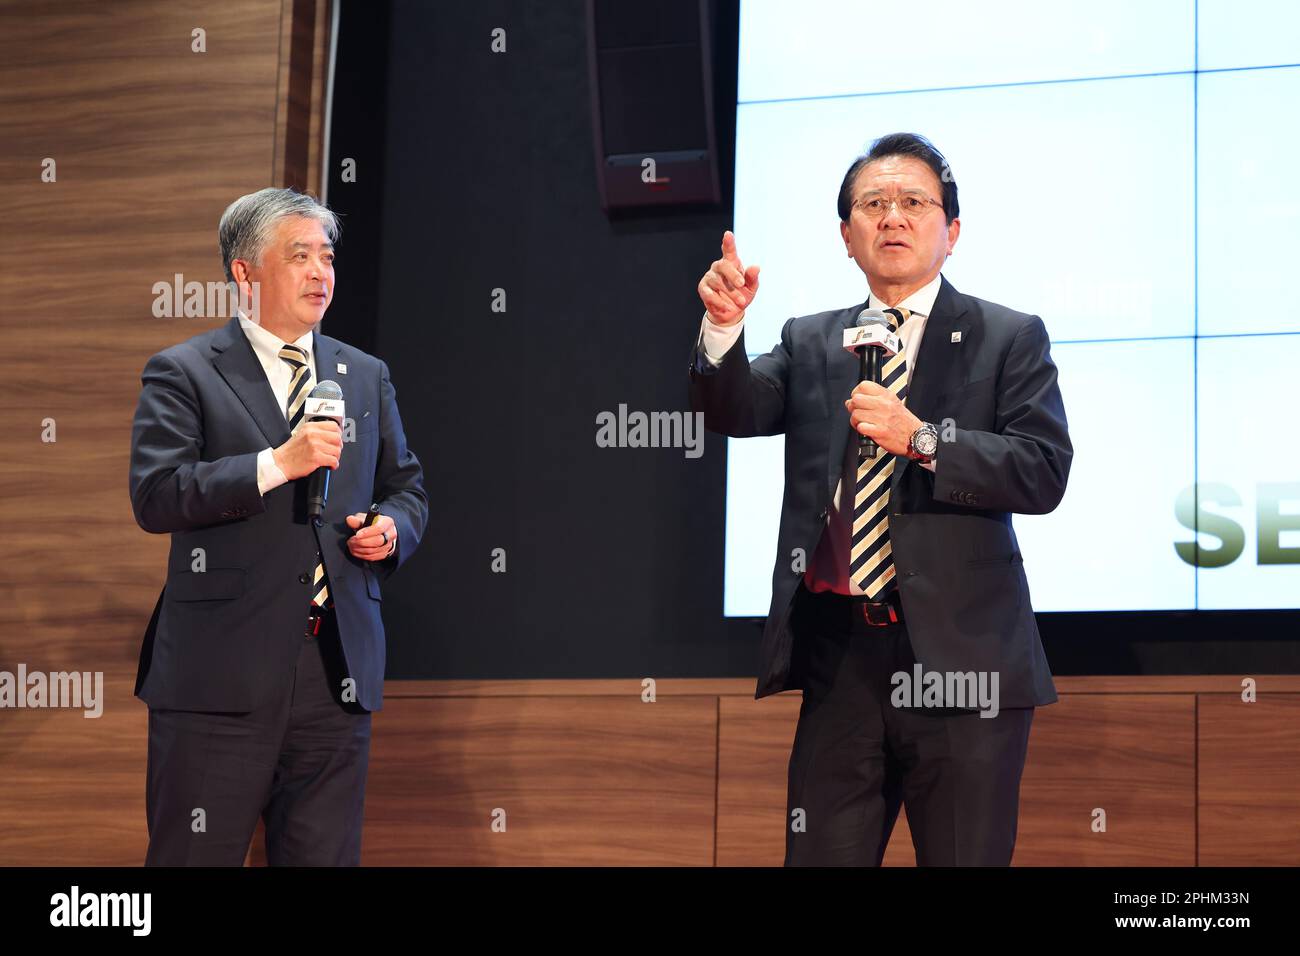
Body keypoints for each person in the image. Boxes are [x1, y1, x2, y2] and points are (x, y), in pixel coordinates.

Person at [688, 132, 1071, 865]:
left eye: (913, 202)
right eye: (873, 204)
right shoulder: (811, 340)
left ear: (951, 231)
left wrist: (924, 439)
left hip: (964, 660)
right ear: (846, 235)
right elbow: (733, 411)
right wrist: (724, 328)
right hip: (842, 657)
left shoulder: (1008, 336)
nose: (892, 217)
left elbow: (1043, 470)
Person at [129, 187, 428, 865]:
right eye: (300, 255)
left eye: (327, 255)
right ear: (245, 271)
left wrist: (389, 530)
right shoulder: (185, 372)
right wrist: (275, 464)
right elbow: (156, 494)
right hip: (218, 678)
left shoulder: (364, 374)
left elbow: (405, 488)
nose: (321, 271)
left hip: (336, 674)